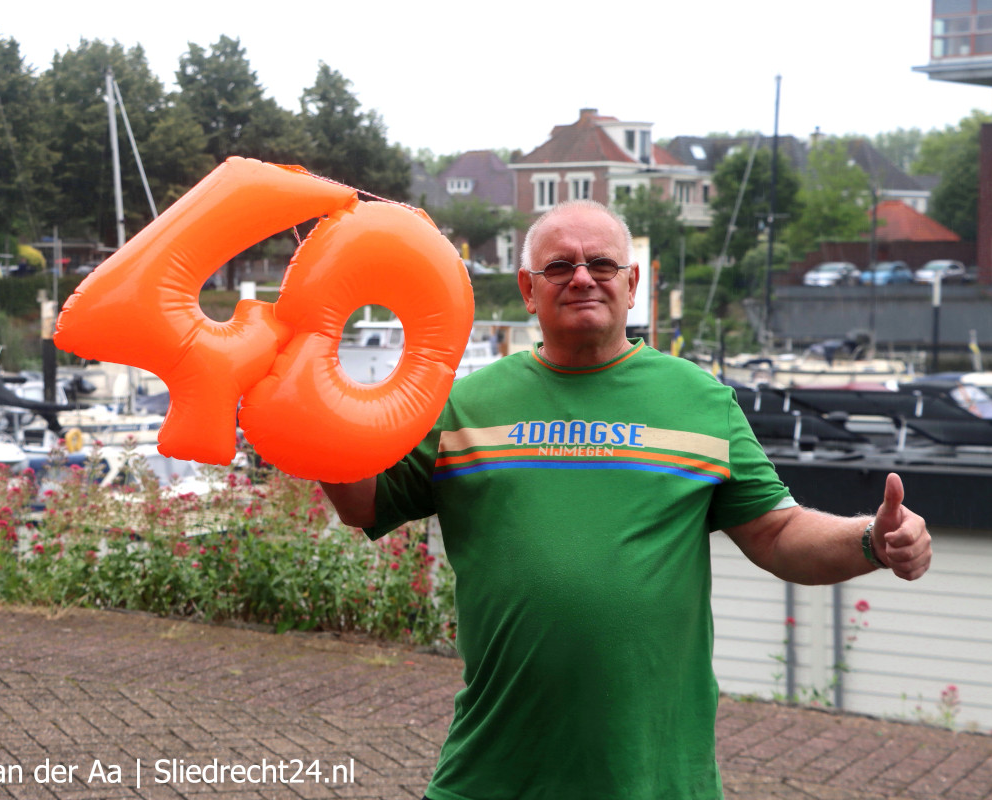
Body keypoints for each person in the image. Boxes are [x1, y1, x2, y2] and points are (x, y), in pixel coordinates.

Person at [321, 200, 932, 800]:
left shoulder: (700, 400)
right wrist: (307, 421)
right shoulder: (463, 405)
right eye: (558, 266)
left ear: (631, 282)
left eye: (601, 264)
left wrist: (869, 542)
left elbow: (777, 534)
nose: (582, 277)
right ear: (527, 290)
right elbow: (364, 503)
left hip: (655, 780)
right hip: (493, 773)